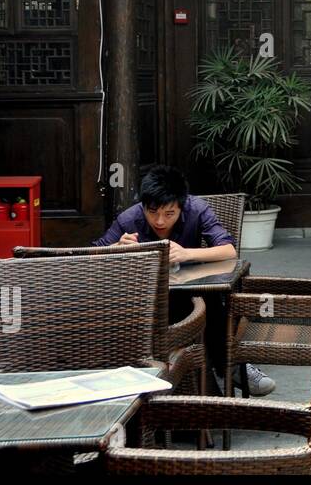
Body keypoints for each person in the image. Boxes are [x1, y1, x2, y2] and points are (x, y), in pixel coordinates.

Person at [94, 164, 275, 396]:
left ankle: (230, 366)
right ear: (143, 206)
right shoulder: (129, 218)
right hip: (146, 302)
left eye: (169, 213)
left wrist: (188, 253)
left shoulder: (197, 209)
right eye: (153, 212)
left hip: (195, 294)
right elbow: (92, 254)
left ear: (182, 205)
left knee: (211, 300)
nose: (160, 221)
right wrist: (117, 247)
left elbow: (229, 250)